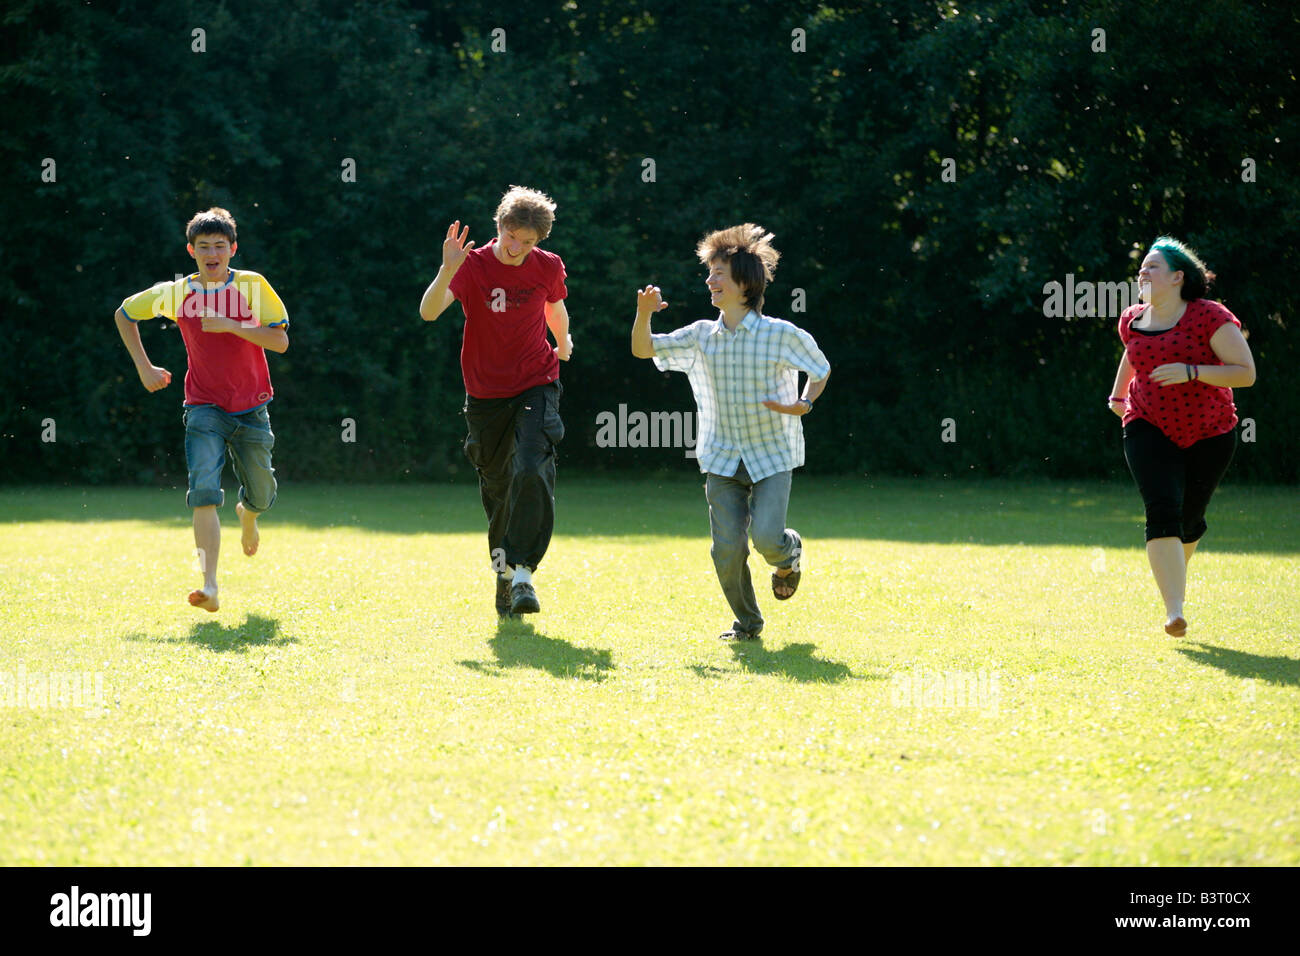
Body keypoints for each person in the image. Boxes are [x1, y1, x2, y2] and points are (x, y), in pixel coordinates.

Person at [631, 223, 831, 641]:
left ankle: (788, 552)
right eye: (710, 272)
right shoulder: (702, 336)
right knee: (726, 550)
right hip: (721, 456)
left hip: (772, 455)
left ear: (745, 281)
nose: (710, 280)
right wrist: (644, 314)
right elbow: (644, 349)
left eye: (719, 272)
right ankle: (748, 623)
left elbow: (821, 368)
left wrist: (805, 402)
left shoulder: (780, 334)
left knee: (766, 539)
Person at [114, 207, 289, 613]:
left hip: (252, 408)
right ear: (191, 250)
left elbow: (280, 342)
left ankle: (249, 514)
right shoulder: (178, 292)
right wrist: (144, 367)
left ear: (233, 249)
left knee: (262, 494)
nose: (213, 253)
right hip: (203, 406)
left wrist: (231, 324)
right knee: (204, 494)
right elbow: (124, 314)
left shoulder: (251, 286)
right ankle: (209, 585)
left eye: (220, 246)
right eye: (204, 246)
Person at [419, 186, 572, 618]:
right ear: (499, 226)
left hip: (536, 381)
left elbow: (555, 309)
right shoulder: (471, 265)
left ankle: (524, 573)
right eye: (513, 237)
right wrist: (446, 271)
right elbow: (429, 312)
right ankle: (504, 574)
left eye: (528, 242)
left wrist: (563, 342)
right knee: (499, 489)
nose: (518, 248)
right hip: (485, 393)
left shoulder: (547, 266)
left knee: (531, 466)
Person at [1108, 236, 1256, 636]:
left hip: (1210, 429)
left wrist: (1191, 370)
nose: (1143, 272)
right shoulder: (1132, 318)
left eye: (1152, 267)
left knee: (1189, 521)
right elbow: (1133, 351)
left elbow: (1245, 372)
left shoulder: (1210, 316)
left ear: (1177, 277)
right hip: (1146, 421)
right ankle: (1174, 611)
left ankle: (1174, 569)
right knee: (1161, 509)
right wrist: (1119, 394)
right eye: (1142, 268)